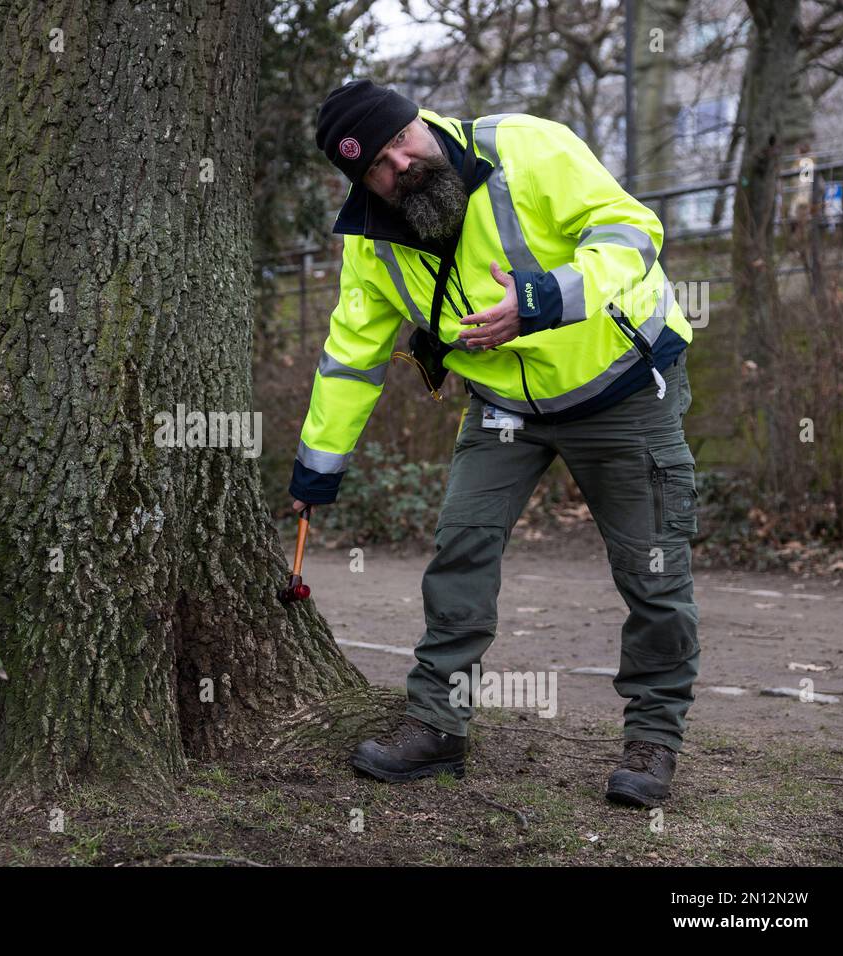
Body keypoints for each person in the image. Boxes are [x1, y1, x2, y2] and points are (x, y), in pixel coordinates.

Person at [290, 80, 699, 807]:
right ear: (360, 183)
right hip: (504, 405)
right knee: (461, 551)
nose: (400, 166)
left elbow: (630, 233)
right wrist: (318, 469)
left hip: (622, 387)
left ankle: (653, 740)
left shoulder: (527, 145)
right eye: (377, 167)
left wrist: (544, 299)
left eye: (400, 142)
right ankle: (437, 727)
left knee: (651, 571)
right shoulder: (369, 244)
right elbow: (351, 357)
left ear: (420, 119)